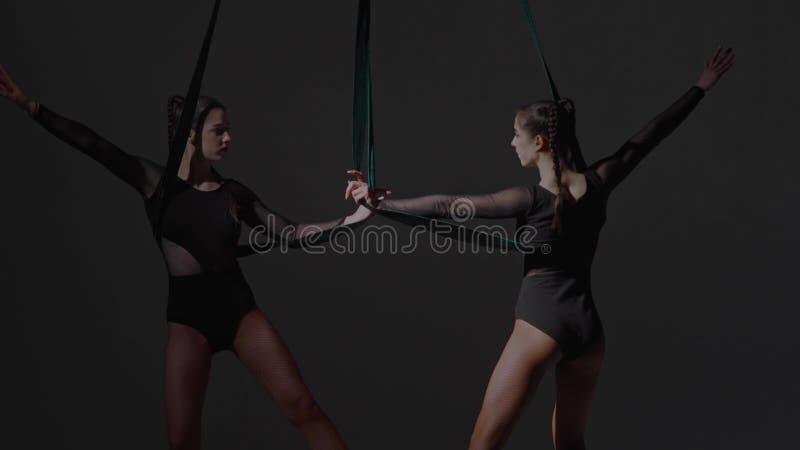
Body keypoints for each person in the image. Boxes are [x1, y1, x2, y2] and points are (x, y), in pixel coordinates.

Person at [346, 47, 735, 450]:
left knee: (482, 445)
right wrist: (700, 87)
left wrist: (378, 204)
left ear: (539, 141)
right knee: (570, 442)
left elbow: (449, 206)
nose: (511, 142)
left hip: (541, 325)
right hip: (588, 333)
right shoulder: (600, 181)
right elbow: (648, 137)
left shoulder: (529, 198)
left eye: (516, 135)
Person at [0, 63, 369, 450]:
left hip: (238, 310)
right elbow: (93, 144)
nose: (229, 138)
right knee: (183, 441)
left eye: (228, 129)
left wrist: (355, 218)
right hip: (189, 319)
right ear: (191, 136)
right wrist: (31, 106)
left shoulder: (233, 193)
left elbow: (292, 234)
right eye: (218, 131)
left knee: (303, 406)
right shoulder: (154, 183)